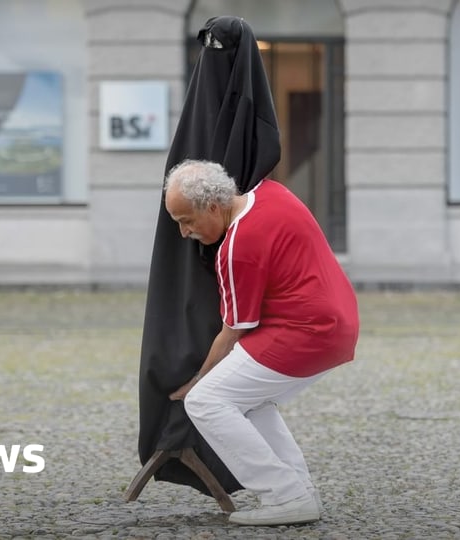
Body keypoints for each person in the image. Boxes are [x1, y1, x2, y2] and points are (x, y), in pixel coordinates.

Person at [164, 159, 360, 526]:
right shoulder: (273, 192)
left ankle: (284, 495)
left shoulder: (235, 246)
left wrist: (196, 381)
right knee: (249, 402)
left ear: (213, 207)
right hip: (337, 325)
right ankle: (298, 490)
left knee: (207, 401)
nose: (184, 232)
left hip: (304, 332)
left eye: (186, 220)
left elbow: (233, 330)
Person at [135, 15, 279, 497]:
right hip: (200, 245)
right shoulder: (228, 108)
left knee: (214, 347)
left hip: (218, 245)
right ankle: (178, 434)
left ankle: (204, 444)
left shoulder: (223, 107)